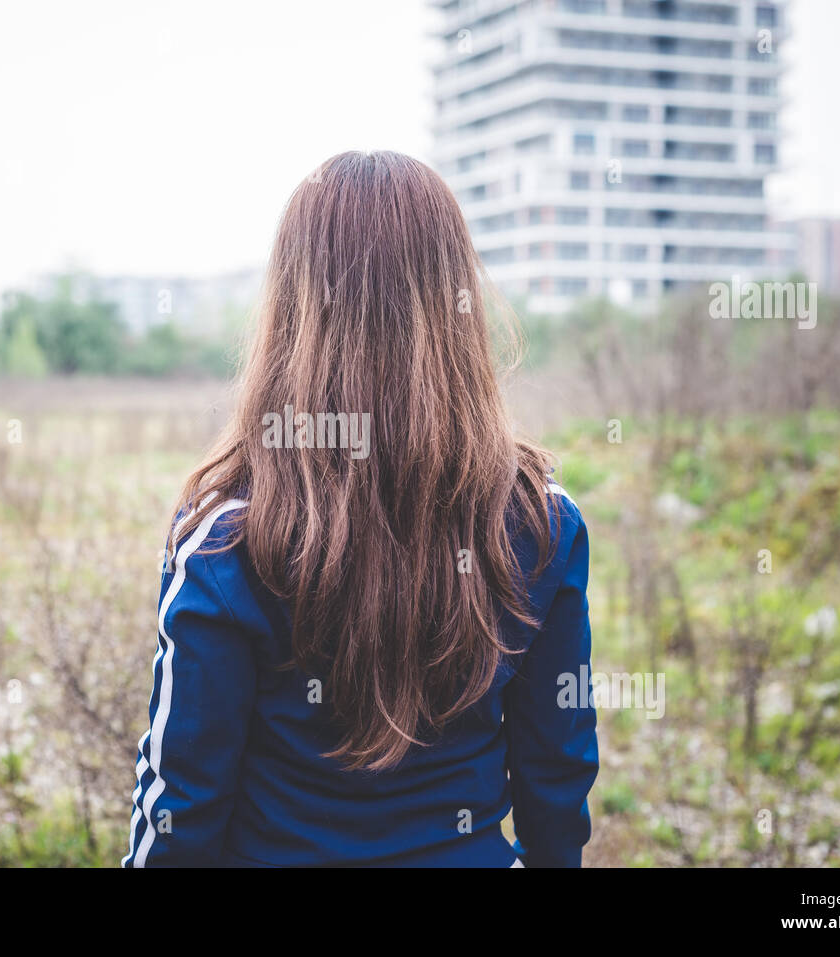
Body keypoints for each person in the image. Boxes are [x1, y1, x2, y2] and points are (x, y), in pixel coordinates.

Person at [123, 150, 597, 867]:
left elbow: (179, 809)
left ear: (290, 309)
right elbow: (556, 779)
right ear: (454, 306)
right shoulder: (542, 525)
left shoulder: (224, 540)